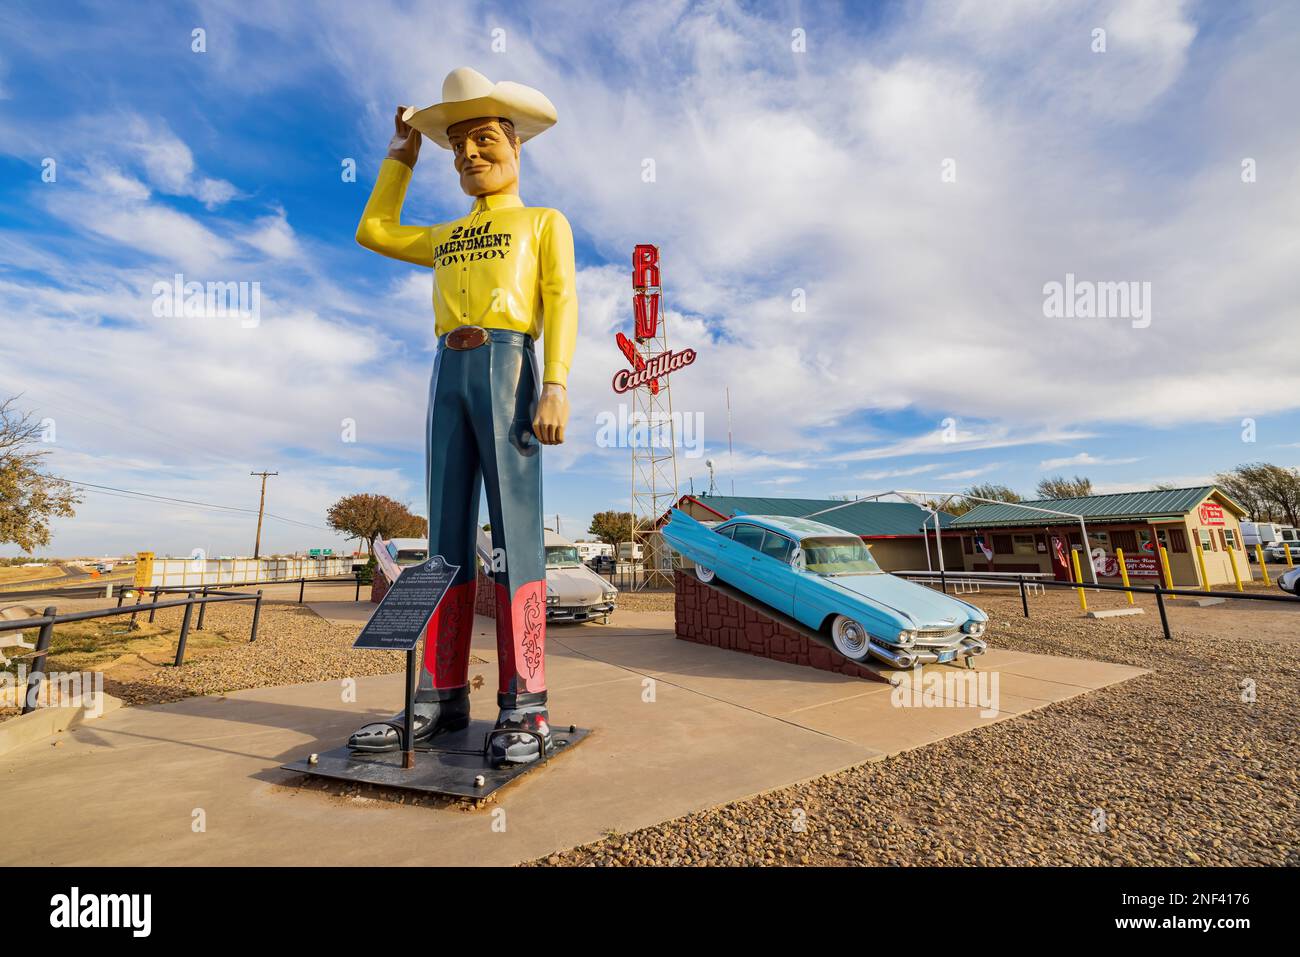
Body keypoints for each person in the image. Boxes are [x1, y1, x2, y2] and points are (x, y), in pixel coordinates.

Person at [349, 68, 576, 765]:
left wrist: (558, 384)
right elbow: (374, 230)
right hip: (447, 369)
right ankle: (438, 698)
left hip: (510, 367)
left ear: (514, 147)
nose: (471, 155)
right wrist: (400, 159)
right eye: (457, 147)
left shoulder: (542, 222)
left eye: (484, 140)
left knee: (515, 535)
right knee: (444, 540)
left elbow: (561, 300)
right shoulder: (447, 235)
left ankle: (525, 699)